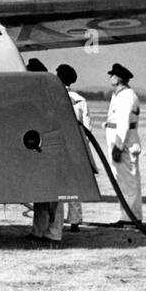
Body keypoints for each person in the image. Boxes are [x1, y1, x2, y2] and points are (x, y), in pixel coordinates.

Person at [26, 58, 63, 243]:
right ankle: (39, 231)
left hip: (52, 148)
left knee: (55, 194)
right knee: (41, 192)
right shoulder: (37, 94)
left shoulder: (51, 95)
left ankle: (54, 233)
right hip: (40, 149)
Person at [56, 63, 92, 231]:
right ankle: (75, 221)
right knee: (74, 186)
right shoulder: (80, 100)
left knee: (57, 186)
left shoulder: (54, 96)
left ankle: (55, 224)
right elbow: (87, 129)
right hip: (76, 147)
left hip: (58, 147)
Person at [105, 63, 142, 225]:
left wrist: (118, 146)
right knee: (122, 179)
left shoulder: (127, 95)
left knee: (128, 181)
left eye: (112, 75)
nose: (110, 77)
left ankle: (131, 218)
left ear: (118, 78)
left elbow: (124, 122)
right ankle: (127, 216)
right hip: (119, 138)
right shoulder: (119, 95)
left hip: (125, 141)